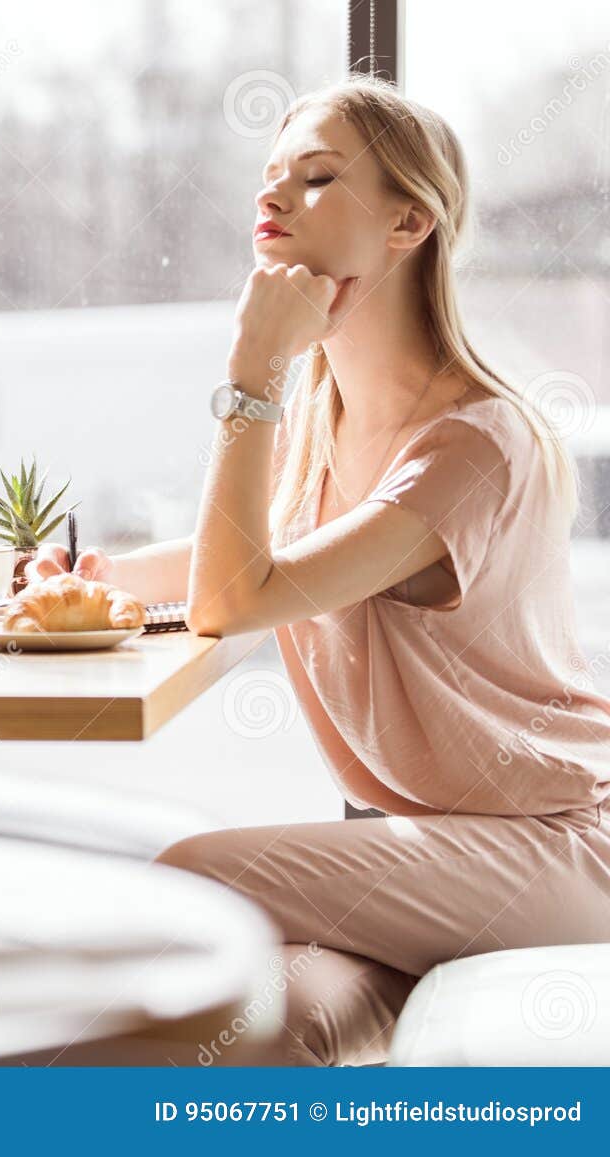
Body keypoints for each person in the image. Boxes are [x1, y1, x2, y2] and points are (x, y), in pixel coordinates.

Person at [30, 77, 610, 1065]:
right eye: (268, 180)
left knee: (179, 872)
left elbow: (233, 597)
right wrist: (97, 575)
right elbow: (262, 563)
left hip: (554, 844)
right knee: (277, 1018)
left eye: (315, 178)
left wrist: (252, 372)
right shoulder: (326, 421)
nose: (272, 199)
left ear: (408, 221)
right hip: (439, 847)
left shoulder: (471, 445)